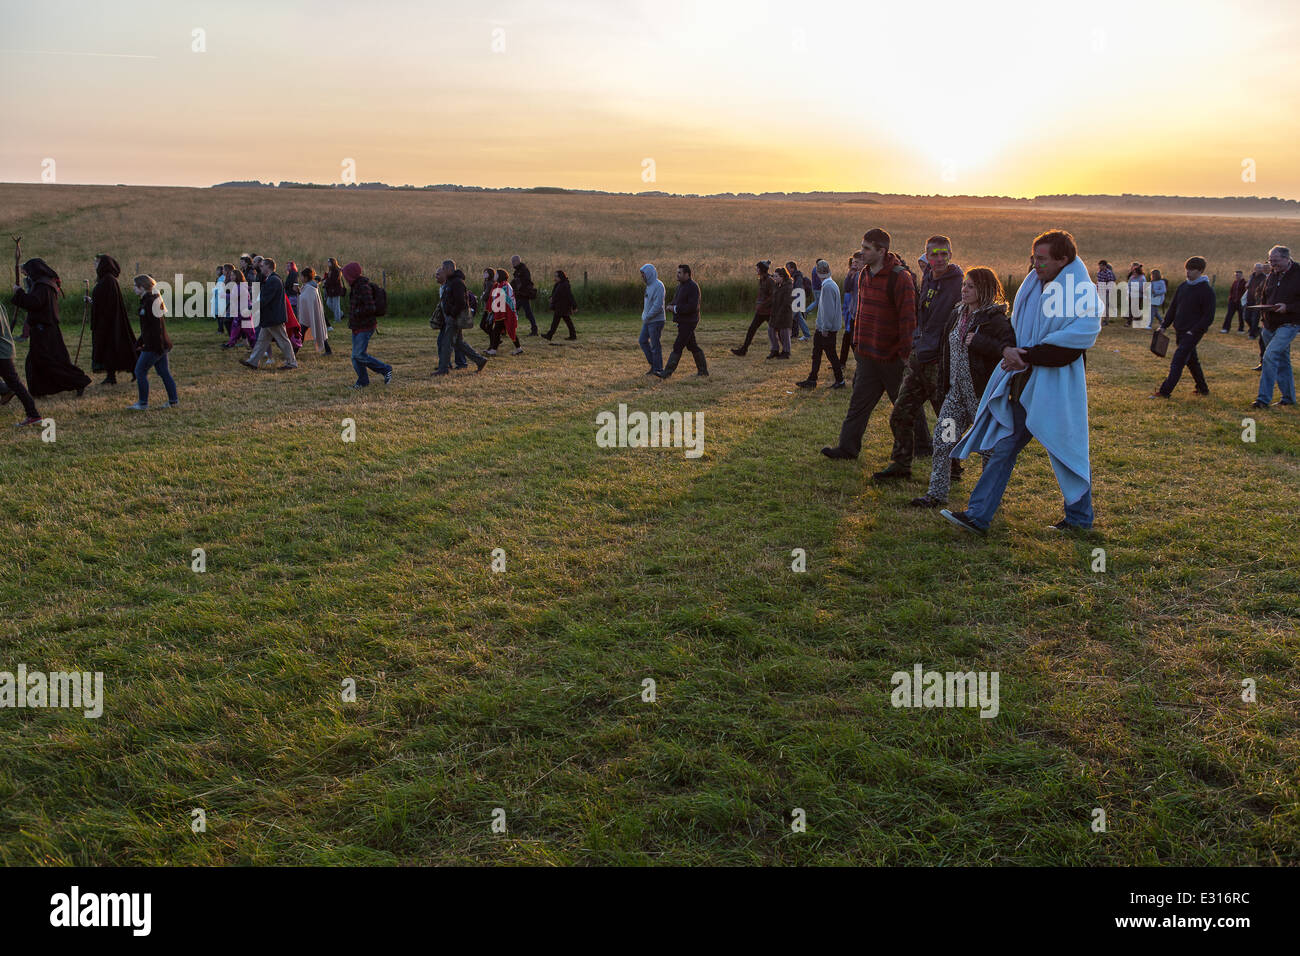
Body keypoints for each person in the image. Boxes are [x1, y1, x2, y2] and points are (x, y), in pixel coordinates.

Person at [941, 230, 1101, 535]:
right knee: (1004, 446)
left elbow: (1076, 341)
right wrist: (1009, 351)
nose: (1035, 264)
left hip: (1057, 386)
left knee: (1066, 448)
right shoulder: (1032, 284)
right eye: (1033, 257)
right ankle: (977, 516)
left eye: (1041, 259)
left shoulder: (1080, 292)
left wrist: (1024, 355)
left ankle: (1079, 520)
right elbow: (1019, 327)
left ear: (1063, 260)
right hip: (1023, 381)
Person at [909, 268, 1013, 509]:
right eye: (964, 285)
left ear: (984, 289)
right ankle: (936, 495)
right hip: (955, 395)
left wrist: (980, 342)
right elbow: (946, 352)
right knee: (944, 440)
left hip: (982, 397)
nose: (964, 290)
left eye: (971, 286)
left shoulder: (995, 320)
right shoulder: (957, 313)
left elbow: (1008, 350)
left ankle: (988, 501)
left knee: (988, 451)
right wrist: (943, 387)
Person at [820, 229, 918, 462]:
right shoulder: (864, 273)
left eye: (866, 248)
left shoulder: (900, 277)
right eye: (862, 247)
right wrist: (856, 343)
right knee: (858, 405)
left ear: (881, 251)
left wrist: (905, 354)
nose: (861, 252)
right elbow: (861, 311)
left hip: (891, 357)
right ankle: (847, 449)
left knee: (903, 406)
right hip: (866, 355)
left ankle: (924, 445)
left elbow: (908, 319)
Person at [873, 236, 961, 481]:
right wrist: (914, 344)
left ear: (950, 254)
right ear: (927, 256)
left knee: (946, 419)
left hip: (940, 364)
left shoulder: (959, 283)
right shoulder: (929, 277)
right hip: (919, 359)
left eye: (944, 254)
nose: (940, 259)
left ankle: (953, 469)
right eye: (934, 254)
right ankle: (901, 465)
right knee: (900, 415)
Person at [9, 258, 90, 398]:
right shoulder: (45, 283)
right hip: (45, 328)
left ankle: (79, 381)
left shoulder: (42, 286)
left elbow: (34, 303)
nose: (27, 276)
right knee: (36, 362)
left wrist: (19, 293)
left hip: (43, 329)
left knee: (49, 362)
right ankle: (39, 390)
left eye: (28, 273)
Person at [1150, 257, 1214, 399]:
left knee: (1178, 360)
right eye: (1187, 269)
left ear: (1200, 271)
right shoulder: (1183, 287)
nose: (1188, 272)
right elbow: (1173, 308)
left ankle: (1165, 391)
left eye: (1192, 270)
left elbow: (1208, 317)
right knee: (1192, 361)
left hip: (1193, 333)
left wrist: (1194, 331)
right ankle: (1203, 388)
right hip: (1180, 329)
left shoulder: (1206, 290)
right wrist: (1164, 326)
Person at [1251, 244, 1300, 409]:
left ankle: (1263, 400)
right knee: (1283, 361)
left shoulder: (1298, 273)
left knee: (1270, 356)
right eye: (1270, 261)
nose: (1272, 265)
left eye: (1276, 261)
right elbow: (1264, 296)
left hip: (1289, 323)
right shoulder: (1272, 274)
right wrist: (1263, 317)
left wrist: (1288, 307)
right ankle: (1288, 398)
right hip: (1269, 325)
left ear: (1287, 258)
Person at [127, 275, 178, 410]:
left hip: (155, 345)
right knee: (163, 372)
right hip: (160, 344)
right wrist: (139, 341)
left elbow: (156, 328)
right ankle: (173, 401)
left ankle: (143, 403)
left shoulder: (149, 302)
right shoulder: (150, 300)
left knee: (140, 371)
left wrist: (151, 346)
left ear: (142, 287)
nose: (133, 289)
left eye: (135, 286)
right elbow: (148, 328)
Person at [87, 254, 137, 385]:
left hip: (109, 322)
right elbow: (102, 300)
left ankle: (132, 370)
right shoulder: (105, 279)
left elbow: (109, 303)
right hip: (105, 321)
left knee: (114, 347)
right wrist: (92, 302)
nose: (95, 266)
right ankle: (111, 376)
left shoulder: (109, 280)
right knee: (108, 348)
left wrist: (103, 318)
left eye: (97, 263)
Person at [342, 260, 392, 389]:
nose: (345, 279)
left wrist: (356, 312)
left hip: (365, 326)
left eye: (346, 276)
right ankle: (363, 381)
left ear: (352, 275)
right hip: (357, 325)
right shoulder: (355, 286)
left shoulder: (363, 287)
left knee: (359, 355)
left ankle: (385, 369)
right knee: (355, 357)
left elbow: (370, 308)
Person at [434, 260, 488, 375]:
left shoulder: (457, 282)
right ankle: (480, 360)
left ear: (449, 269)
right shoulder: (451, 281)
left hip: (454, 318)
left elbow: (461, 302)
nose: (442, 271)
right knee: (459, 343)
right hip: (451, 317)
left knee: (446, 343)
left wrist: (452, 314)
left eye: (444, 269)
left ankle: (443, 369)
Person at [242, 257, 297, 370]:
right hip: (270, 316)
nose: (260, 268)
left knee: (283, 340)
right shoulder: (272, 279)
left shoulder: (273, 280)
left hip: (273, 317)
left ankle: (292, 363)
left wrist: (251, 308)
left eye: (263, 265)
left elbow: (265, 299)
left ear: (268, 266)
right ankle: (253, 361)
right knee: (262, 341)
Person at [796, 260, 844, 389]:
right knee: (818, 353)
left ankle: (840, 380)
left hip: (826, 329)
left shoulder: (827, 287)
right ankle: (812, 379)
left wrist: (825, 328)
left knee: (830, 354)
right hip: (825, 327)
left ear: (818, 273)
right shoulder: (831, 284)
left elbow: (828, 310)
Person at [657, 264, 707, 379]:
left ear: (687, 274)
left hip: (689, 322)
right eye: (677, 272)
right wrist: (671, 305)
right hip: (683, 321)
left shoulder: (693, 287)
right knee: (692, 346)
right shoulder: (680, 286)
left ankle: (667, 373)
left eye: (679, 273)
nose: (677, 275)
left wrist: (674, 309)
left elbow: (692, 307)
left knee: (678, 346)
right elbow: (676, 301)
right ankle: (703, 371)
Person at [0, 302, 42, 426]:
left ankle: (34, 415)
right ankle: (4, 389)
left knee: (15, 383)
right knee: (13, 382)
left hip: (1, 352)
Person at [731, 261, 775, 356]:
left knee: (776, 331)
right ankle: (744, 350)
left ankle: (784, 350)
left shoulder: (769, 281)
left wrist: (763, 304)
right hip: (761, 311)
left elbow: (773, 296)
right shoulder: (762, 280)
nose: (756, 270)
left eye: (758, 268)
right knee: (752, 329)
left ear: (762, 269)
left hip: (768, 311)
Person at [486, 268, 523, 355]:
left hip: (505, 313)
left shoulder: (505, 285)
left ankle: (494, 350)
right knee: (501, 330)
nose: (494, 276)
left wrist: (501, 312)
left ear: (500, 276)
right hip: (501, 312)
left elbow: (507, 301)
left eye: (496, 274)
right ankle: (518, 348)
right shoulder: (499, 285)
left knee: (500, 330)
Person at [638, 263, 666, 375]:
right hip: (648, 320)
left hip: (656, 320)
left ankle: (658, 369)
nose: (642, 277)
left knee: (655, 345)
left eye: (643, 275)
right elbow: (647, 303)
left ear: (649, 274)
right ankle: (654, 365)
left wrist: (647, 316)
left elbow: (658, 306)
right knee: (642, 340)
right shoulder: (649, 286)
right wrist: (644, 314)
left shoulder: (659, 286)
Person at [297, 268, 331, 355]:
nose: (300, 278)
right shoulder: (308, 286)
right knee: (311, 330)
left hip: (312, 312)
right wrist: (298, 291)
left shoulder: (311, 288)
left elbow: (306, 298)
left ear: (305, 277)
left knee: (312, 330)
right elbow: (304, 298)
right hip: (308, 312)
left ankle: (294, 352)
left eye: (301, 276)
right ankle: (328, 350)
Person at [839, 251, 863, 370]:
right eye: (853, 262)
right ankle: (844, 362)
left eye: (857, 262)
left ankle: (862, 364)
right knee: (849, 339)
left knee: (854, 341)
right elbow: (847, 289)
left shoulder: (864, 275)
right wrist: (849, 275)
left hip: (860, 314)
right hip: (853, 313)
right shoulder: (854, 275)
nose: (854, 265)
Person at [223, 264, 256, 349]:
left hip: (244, 311)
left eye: (233, 275)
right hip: (240, 311)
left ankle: (254, 346)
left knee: (249, 331)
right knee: (235, 328)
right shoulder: (239, 285)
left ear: (237, 276)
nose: (231, 277)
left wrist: (223, 295)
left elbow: (234, 296)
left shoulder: (239, 286)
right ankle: (231, 343)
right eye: (231, 275)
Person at [768, 266, 794, 359]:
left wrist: (780, 313)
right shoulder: (776, 286)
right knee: (771, 331)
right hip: (774, 313)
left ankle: (786, 352)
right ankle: (774, 349)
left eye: (776, 276)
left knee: (784, 333)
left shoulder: (788, 287)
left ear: (782, 277)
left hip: (785, 314)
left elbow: (786, 302)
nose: (774, 278)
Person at [1245, 261, 1268, 368]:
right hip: (1262, 310)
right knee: (1262, 341)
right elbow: (1259, 292)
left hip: (1275, 315)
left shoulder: (1268, 278)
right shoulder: (1266, 279)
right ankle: (1263, 363)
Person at [543, 270, 578, 340]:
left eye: (556, 276)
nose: (555, 278)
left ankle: (549, 335)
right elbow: (555, 294)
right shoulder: (559, 284)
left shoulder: (565, 285)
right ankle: (573, 335)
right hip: (560, 306)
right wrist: (551, 298)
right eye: (555, 276)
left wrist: (574, 306)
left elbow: (570, 296)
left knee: (557, 322)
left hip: (563, 307)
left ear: (561, 277)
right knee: (565, 321)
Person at [510, 255, 539, 335]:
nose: (512, 263)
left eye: (513, 262)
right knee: (513, 312)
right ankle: (508, 329)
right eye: (511, 262)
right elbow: (516, 282)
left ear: (517, 261)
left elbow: (526, 282)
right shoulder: (518, 271)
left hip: (523, 295)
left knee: (527, 313)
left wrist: (517, 287)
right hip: (519, 295)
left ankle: (534, 330)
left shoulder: (523, 270)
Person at [787, 260, 812, 341]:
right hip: (798, 299)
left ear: (792, 268)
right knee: (799, 318)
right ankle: (807, 335)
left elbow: (797, 289)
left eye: (788, 268)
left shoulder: (797, 277)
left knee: (789, 317)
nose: (787, 270)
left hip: (797, 299)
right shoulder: (795, 276)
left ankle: (784, 335)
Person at [323, 258, 346, 328]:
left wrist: (326, 282)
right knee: (328, 303)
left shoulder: (336, 270)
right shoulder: (331, 270)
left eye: (329, 262)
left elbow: (334, 280)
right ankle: (340, 314)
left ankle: (337, 319)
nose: (328, 263)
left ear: (333, 263)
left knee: (336, 305)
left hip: (336, 290)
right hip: (331, 290)